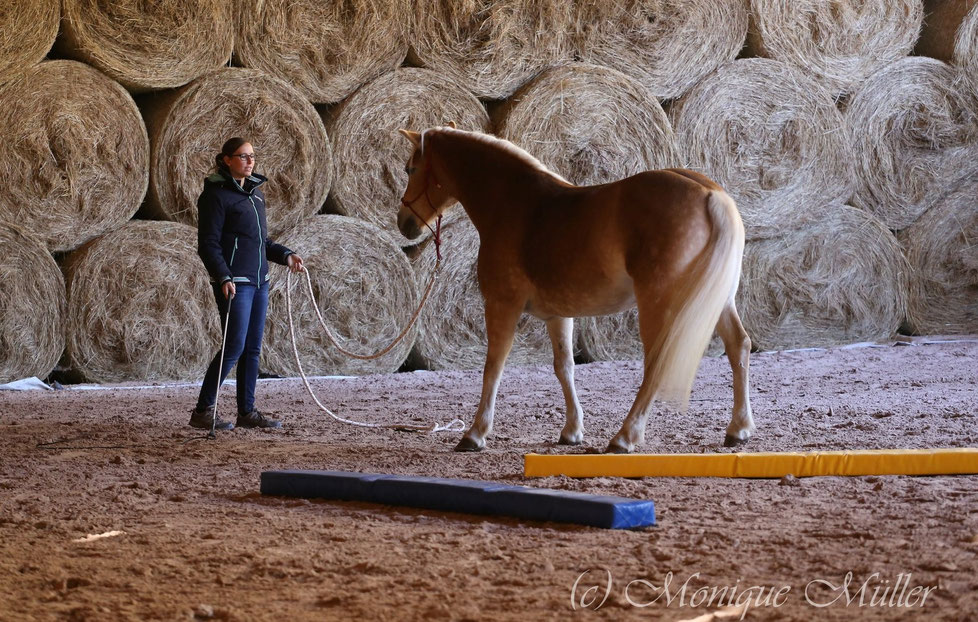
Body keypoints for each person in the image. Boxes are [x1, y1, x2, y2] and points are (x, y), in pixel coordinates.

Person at [189, 137, 304, 432]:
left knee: (253, 348)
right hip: (235, 283)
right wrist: (224, 276)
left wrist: (286, 255)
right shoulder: (215, 196)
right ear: (227, 160)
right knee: (233, 347)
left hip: (260, 281)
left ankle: (247, 412)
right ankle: (203, 411)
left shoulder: (256, 196)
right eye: (243, 156)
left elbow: (262, 242)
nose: (250, 161)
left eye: (252, 156)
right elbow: (209, 244)